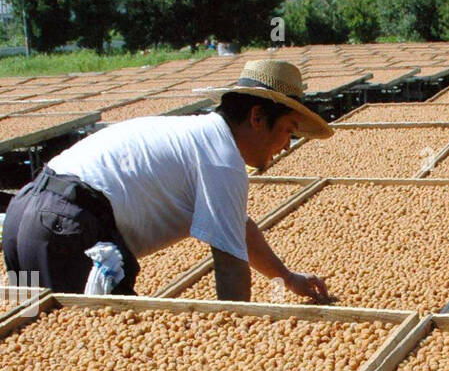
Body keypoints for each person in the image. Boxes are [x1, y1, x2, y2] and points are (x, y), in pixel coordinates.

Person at [2, 59, 332, 304]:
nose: (288, 144)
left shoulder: (200, 137)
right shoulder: (222, 158)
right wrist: (238, 346)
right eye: (289, 129)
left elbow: (239, 230)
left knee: (32, 323)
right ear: (257, 118)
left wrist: (286, 278)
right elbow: (231, 269)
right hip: (64, 230)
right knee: (75, 343)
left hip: (25, 220)